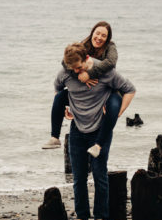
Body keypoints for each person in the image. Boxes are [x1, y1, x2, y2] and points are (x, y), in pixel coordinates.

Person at [54, 42, 136, 220]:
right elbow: (58, 89)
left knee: (100, 175)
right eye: (72, 68)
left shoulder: (105, 72)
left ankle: (101, 218)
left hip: (100, 131)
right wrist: (66, 107)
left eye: (79, 67)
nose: (76, 71)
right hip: (77, 130)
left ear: (87, 59)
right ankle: (82, 218)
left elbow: (130, 89)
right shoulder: (67, 72)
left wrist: (118, 113)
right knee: (79, 177)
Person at [42, 21, 121, 155]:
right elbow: (65, 62)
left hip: (104, 89)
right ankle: (55, 137)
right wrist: (80, 76)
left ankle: (99, 144)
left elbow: (110, 63)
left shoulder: (110, 47)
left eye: (104, 35)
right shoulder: (83, 45)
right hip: (83, 89)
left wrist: (90, 74)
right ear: (92, 33)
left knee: (114, 104)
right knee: (59, 97)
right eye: (97, 33)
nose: (99, 38)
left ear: (108, 38)